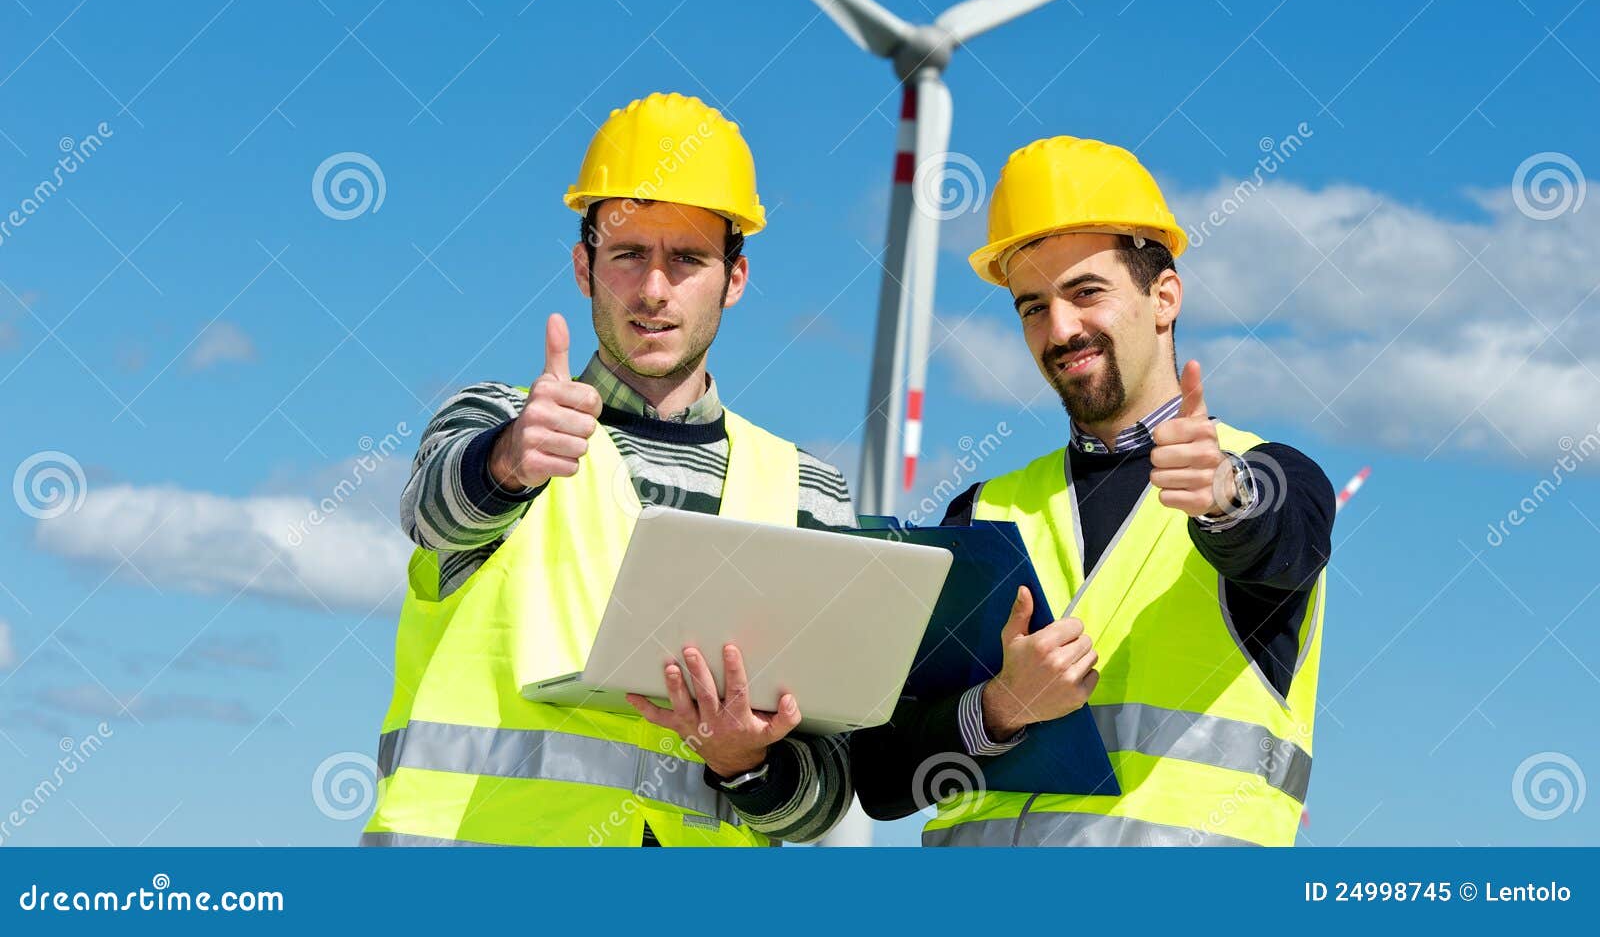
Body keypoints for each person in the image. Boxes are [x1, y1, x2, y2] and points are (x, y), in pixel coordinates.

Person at [362, 93, 854, 847]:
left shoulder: (810, 493)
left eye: (688, 258)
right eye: (629, 254)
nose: (654, 289)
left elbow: (825, 794)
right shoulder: (497, 419)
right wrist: (506, 460)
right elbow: (432, 514)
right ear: (584, 266)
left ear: (736, 278)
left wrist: (748, 763)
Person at [851, 135, 1335, 846]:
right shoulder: (982, 512)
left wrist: (1226, 496)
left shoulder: (1269, 475)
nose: (1060, 328)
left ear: (1163, 295)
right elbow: (883, 775)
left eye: (1085, 292)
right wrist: (1002, 706)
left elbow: (1280, 537)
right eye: (1032, 307)